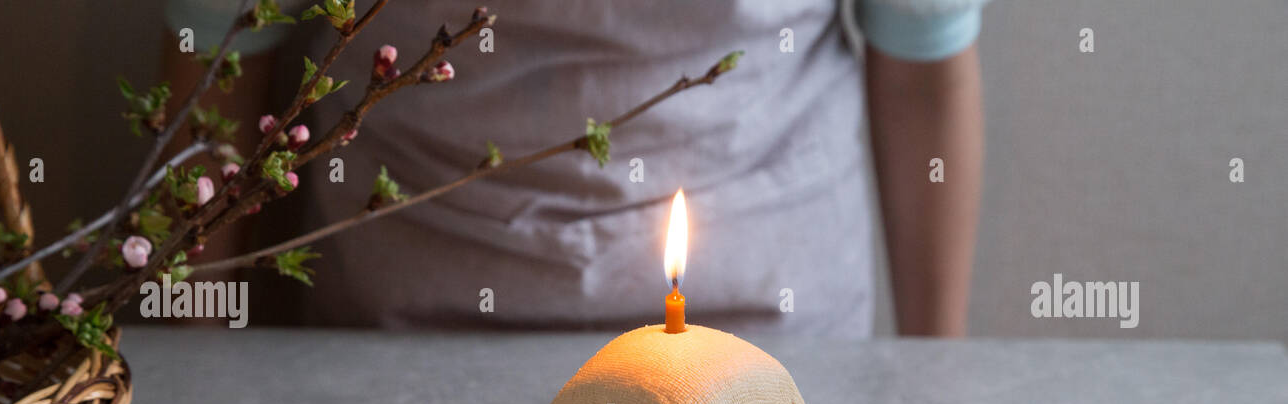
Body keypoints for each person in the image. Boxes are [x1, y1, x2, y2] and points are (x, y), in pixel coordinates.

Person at [168, 0, 988, 338]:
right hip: (403, 332)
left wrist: (933, 373)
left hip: (772, 326)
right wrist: (201, 379)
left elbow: (922, 64)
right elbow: (220, 66)